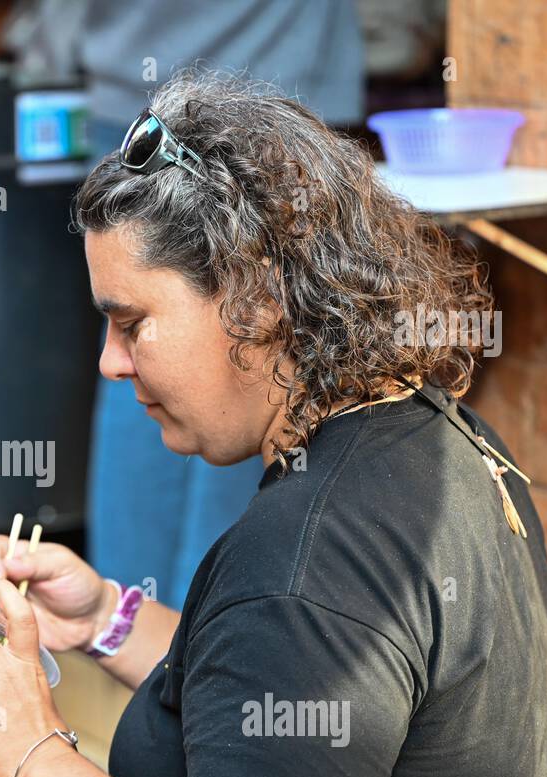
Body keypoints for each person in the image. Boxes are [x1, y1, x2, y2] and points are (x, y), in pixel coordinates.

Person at [0, 70, 547, 777]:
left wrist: (28, 748)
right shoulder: (439, 433)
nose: (110, 362)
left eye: (132, 322)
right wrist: (105, 616)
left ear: (255, 298)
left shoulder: (307, 559)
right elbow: (297, 698)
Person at [78, 0, 365, 607]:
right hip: (261, 104)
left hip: (129, 89)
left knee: (162, 354)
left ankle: (167, 655)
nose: (110, 359)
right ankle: (190, 658)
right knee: (203, 372)